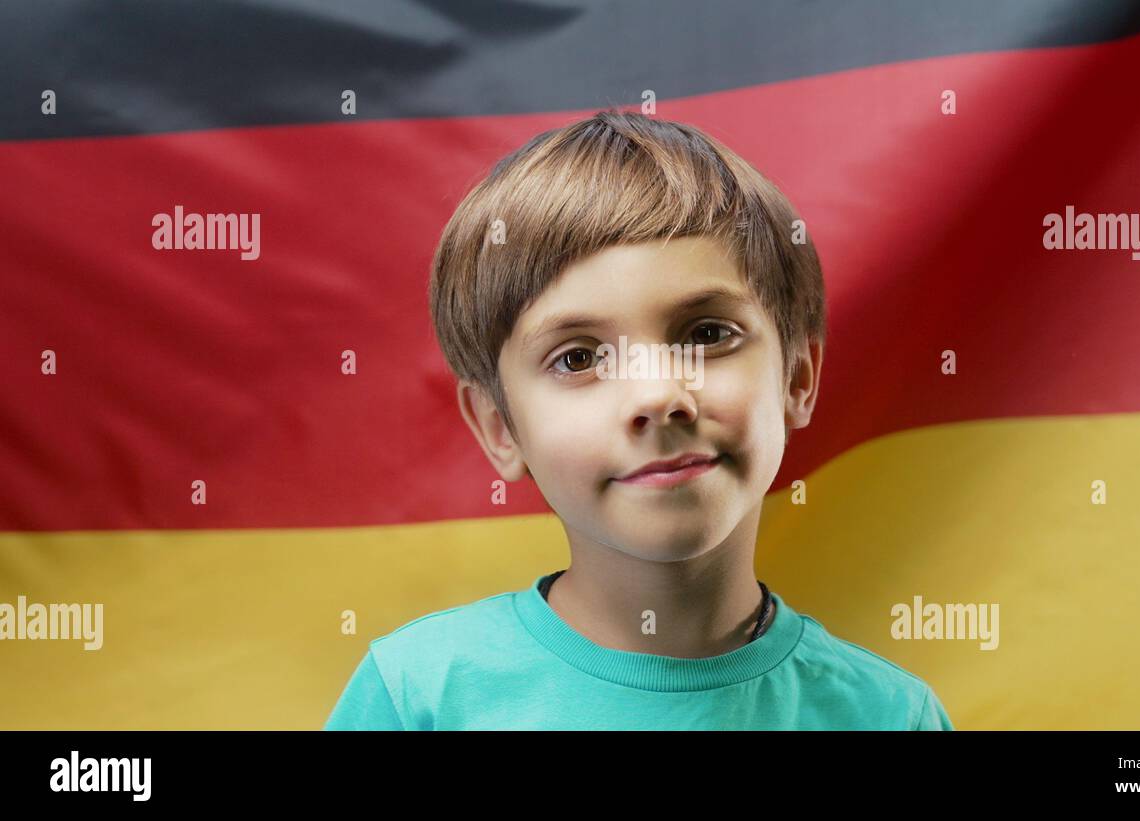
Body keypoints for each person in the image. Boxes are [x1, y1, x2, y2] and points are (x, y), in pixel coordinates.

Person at [324, 109, 953, 730]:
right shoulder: (416, 698)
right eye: (577, 358)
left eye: (708, 333)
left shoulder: (891, 715)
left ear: (797, 378)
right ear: (499, 427)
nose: (657, 396)